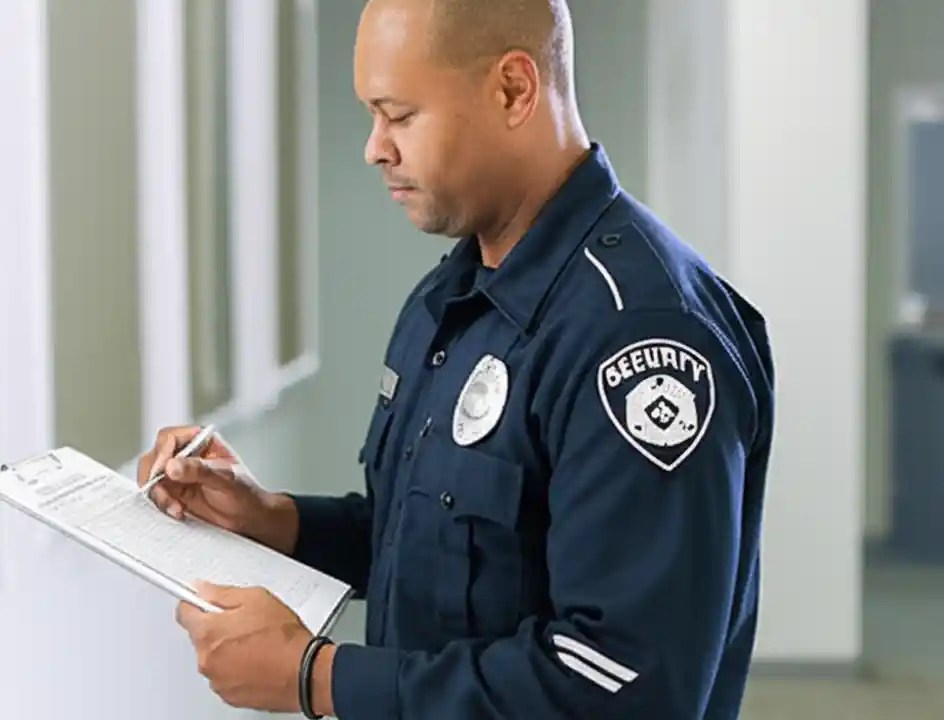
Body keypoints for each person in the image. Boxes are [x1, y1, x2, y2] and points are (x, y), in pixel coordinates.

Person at [137, 0, 775, 717]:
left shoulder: (639, 337)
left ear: (513, 90)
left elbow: (624, 685)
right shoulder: (454, 296)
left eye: (399, 115)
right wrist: (272, 519)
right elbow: (435, 547)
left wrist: (317, 678)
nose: (375, 147)